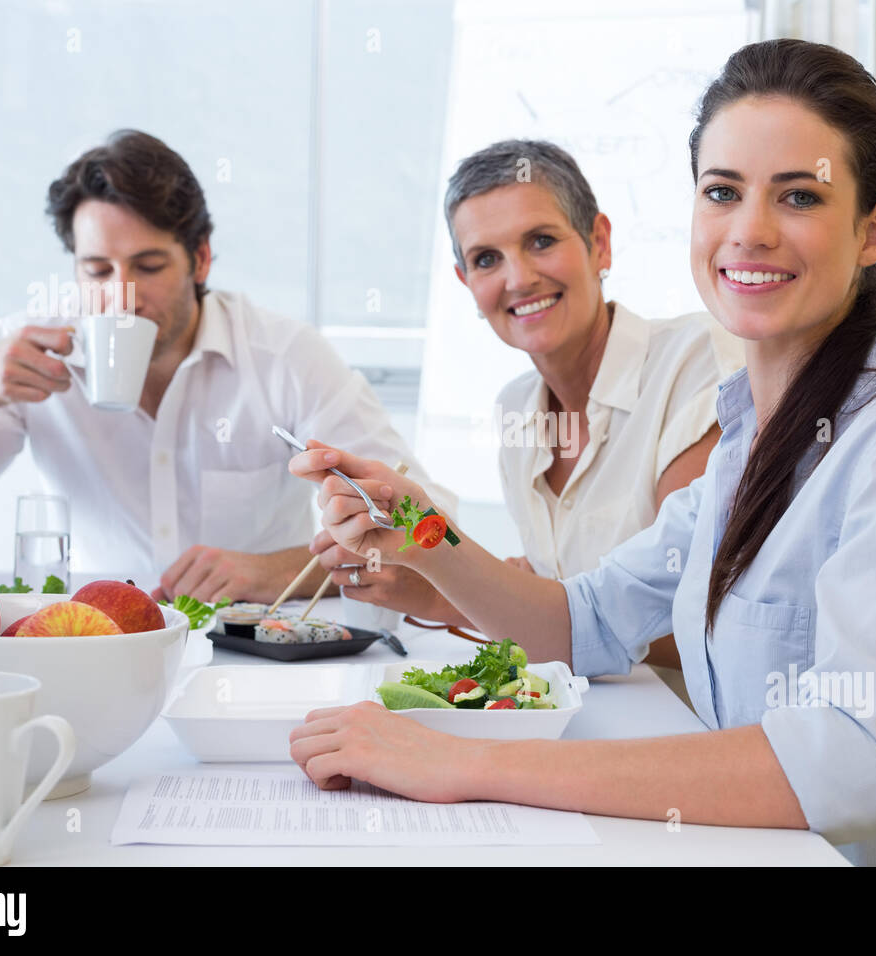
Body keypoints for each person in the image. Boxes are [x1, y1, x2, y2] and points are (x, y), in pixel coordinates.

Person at [286, 38, 876, 867]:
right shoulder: (753, 432)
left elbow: (854, 768)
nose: (750, 232)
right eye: (723, 193)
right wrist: (417, 530)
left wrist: (471, 763)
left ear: (874, 228)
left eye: (799, 197)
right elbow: (584, 623)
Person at [0, 130, 452, 601]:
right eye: (97, 272)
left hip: (253, 651)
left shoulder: (283, 358)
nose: (121, 297)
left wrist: (274, 571)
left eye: (148, 266)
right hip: (94, 644)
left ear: (199, 259)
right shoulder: (30, 354)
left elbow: (432, 531)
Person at [310, 139, 744, 687]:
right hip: (585, 717)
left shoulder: (697, 361)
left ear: (599, 244)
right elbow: (548, 582)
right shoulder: (517, 408)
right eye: (486, 259)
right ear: (467, 283)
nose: (517, 279)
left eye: (540, 241)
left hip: (688, 726)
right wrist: (415, 562)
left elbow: (689, 616)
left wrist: (446, 590)